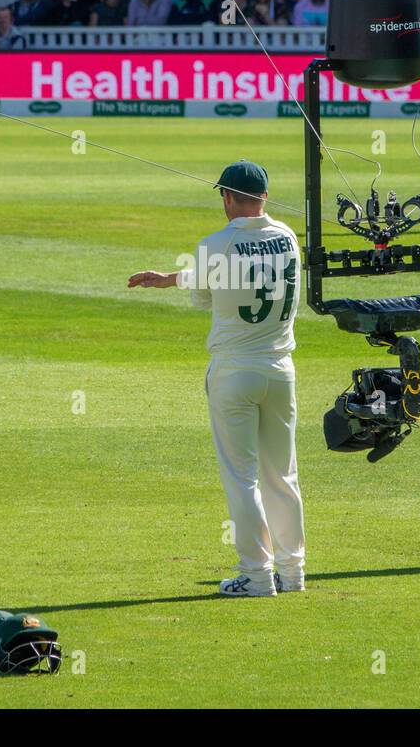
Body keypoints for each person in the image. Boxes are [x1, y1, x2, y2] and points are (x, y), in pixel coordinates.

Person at [127, 161, 305, 597]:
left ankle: (258, 576)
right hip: (280, 370)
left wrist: (176, 279)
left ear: (228, 197)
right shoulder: (288, 237)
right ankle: (293, 573)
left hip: (233, 370)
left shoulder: (214, 245)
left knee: (242, 478)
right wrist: (173, 278)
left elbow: (205, 297)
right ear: (264, 195)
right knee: (283, 475)